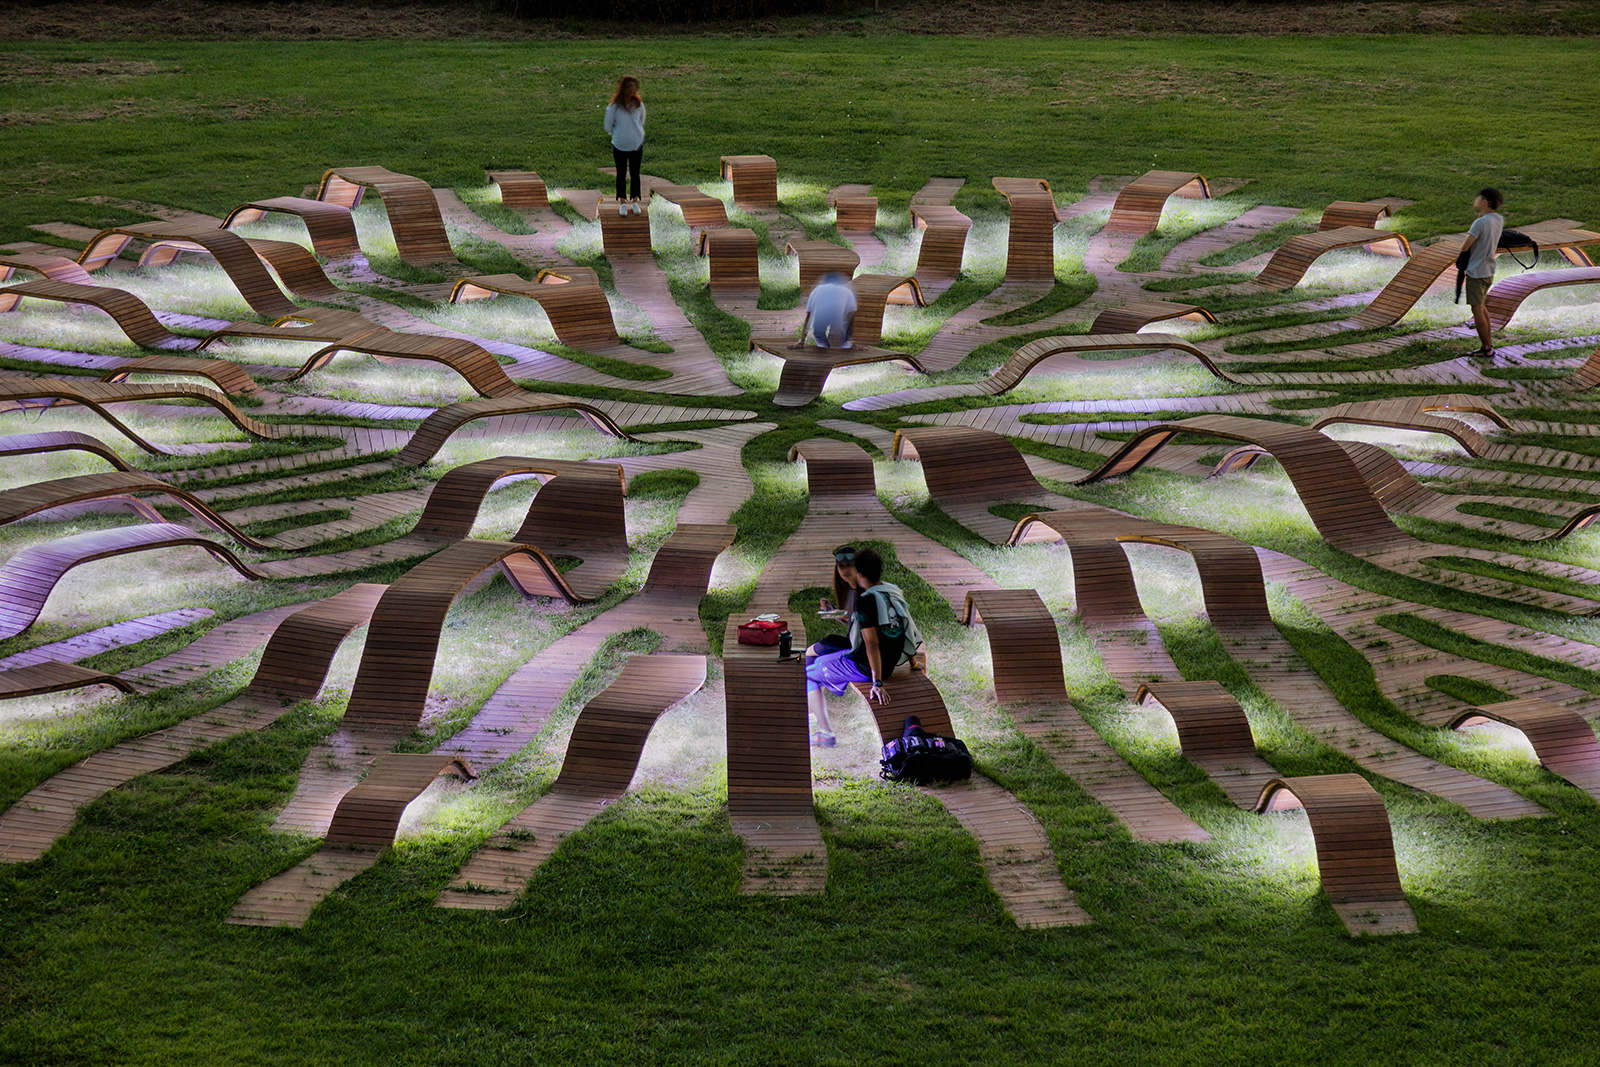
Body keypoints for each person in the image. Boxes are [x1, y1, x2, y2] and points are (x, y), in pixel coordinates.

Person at [804, 547, 916, 748]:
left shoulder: (865, 601)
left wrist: (878, 682)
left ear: (859, 572)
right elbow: (906, 627)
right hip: (887, 663)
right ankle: (816, 718)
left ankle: (824, 733)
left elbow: (871, 642)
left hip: (864, 666)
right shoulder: (892, 590)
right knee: (820, 655)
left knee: (808, 673)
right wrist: (913, 660)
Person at [1460, 186, 1505, 357]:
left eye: (1478, 198)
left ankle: (1486, 348)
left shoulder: (1480, 223)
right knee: (1482, 307)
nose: (1475, 201)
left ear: (1484, 202)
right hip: (1489, 270)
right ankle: (1488, 345)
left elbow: (1465, 245)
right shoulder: (1498, 219)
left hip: (1476, 272)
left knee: (1477, 310)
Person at [604, 75, 646, 215]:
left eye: (634, 87)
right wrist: (618, 134)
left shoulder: (639, 105)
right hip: (620, 145)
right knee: (621, 173)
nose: (631, 90)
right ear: (623, 89)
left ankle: (635, 201)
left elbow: (641, 120)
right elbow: (608, 125)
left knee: (635, 173)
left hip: (636, 145)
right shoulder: (614, 107)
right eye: (629, 87)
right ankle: (622, 202)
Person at [793, 272, 856, 350]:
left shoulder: (816, 290)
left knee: (818, 334)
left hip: (820, 321)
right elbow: (851, 314)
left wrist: (802, 341)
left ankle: (823, 347)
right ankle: (845, 345)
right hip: (839, 322)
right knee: (843, 338)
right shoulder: (847, 291)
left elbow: (808, 317)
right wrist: (848, 337)